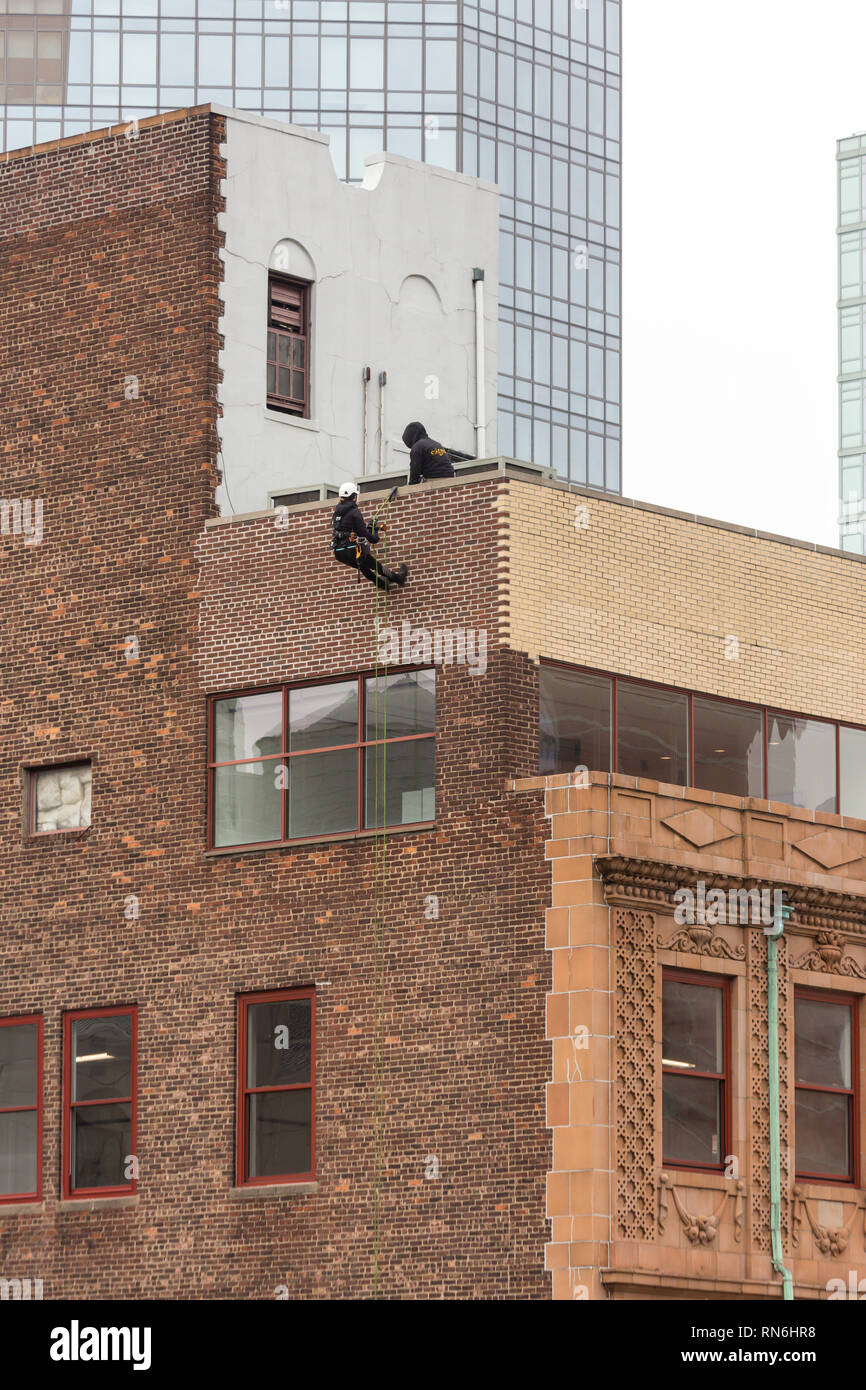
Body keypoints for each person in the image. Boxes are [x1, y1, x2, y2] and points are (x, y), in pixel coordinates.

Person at [331, 482, 408, 591]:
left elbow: (347, 529)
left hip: (339, 552)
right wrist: (374, 534)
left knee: (363, 567)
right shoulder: (354, 511)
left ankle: (382, 584)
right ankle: (397, 578)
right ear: (353, 497)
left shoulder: (337, 512)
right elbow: (365, 534)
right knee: (375, 566)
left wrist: (368, 529)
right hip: (352, 549)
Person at [402, 421, 455, 486]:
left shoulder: (418, 446)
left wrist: (410, 487)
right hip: (451, 479)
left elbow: (415, 471)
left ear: (410, 438)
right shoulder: (437, 444)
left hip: (435, 481)